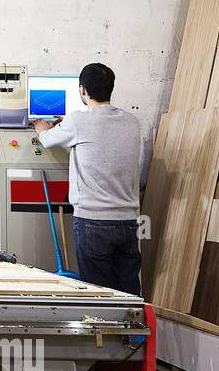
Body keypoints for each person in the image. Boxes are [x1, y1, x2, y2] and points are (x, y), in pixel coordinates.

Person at [31, 63, 143, 296]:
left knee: (99, 294)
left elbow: (49, 139)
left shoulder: (77, 121)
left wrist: (42, 129)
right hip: (129, 222)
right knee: (129, 291)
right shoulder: (132, 122)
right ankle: (135, 333)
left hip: (93, 222)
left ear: (83, 90)